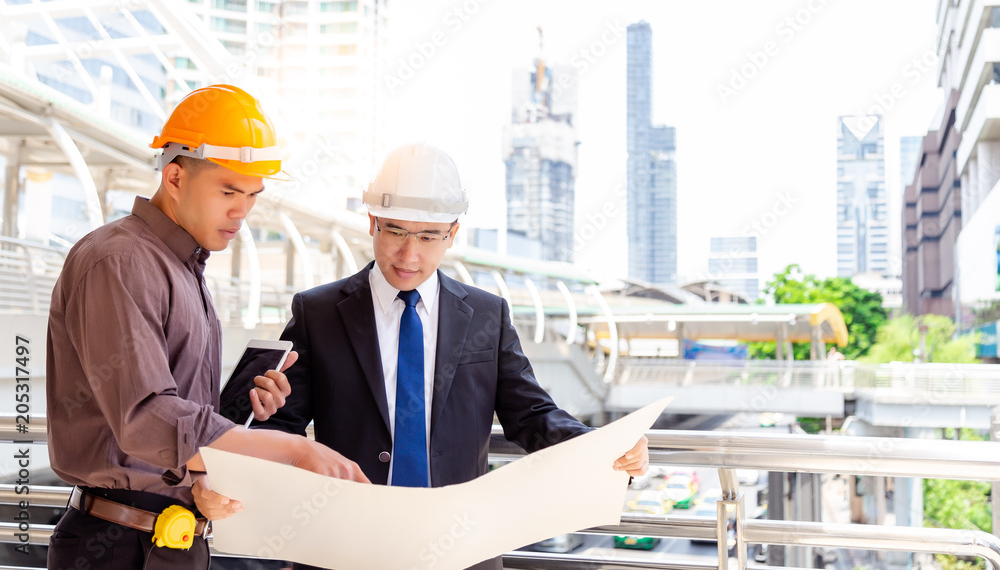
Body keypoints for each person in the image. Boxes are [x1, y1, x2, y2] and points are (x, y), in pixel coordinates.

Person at [230, 143, 649, 570]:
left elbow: (531, 415)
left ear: (452, 234)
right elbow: (278, 425)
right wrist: (256, 408)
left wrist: (604, 448)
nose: (409, 255)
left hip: (460, 548)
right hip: (346, 546)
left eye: (429, 236)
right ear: (372, 222)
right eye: (395, 231)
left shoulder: (487, 314)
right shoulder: (317, 312)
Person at [45, 85, 368, 570]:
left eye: (253, 195)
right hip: (117, 546)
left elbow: (174, 429)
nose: (243, 211)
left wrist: (240, 411)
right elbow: (145, 420)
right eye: (228, 191)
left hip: (172, 538)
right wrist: (292, 450)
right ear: (174, 176)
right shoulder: (120, 261)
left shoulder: (183, 267)